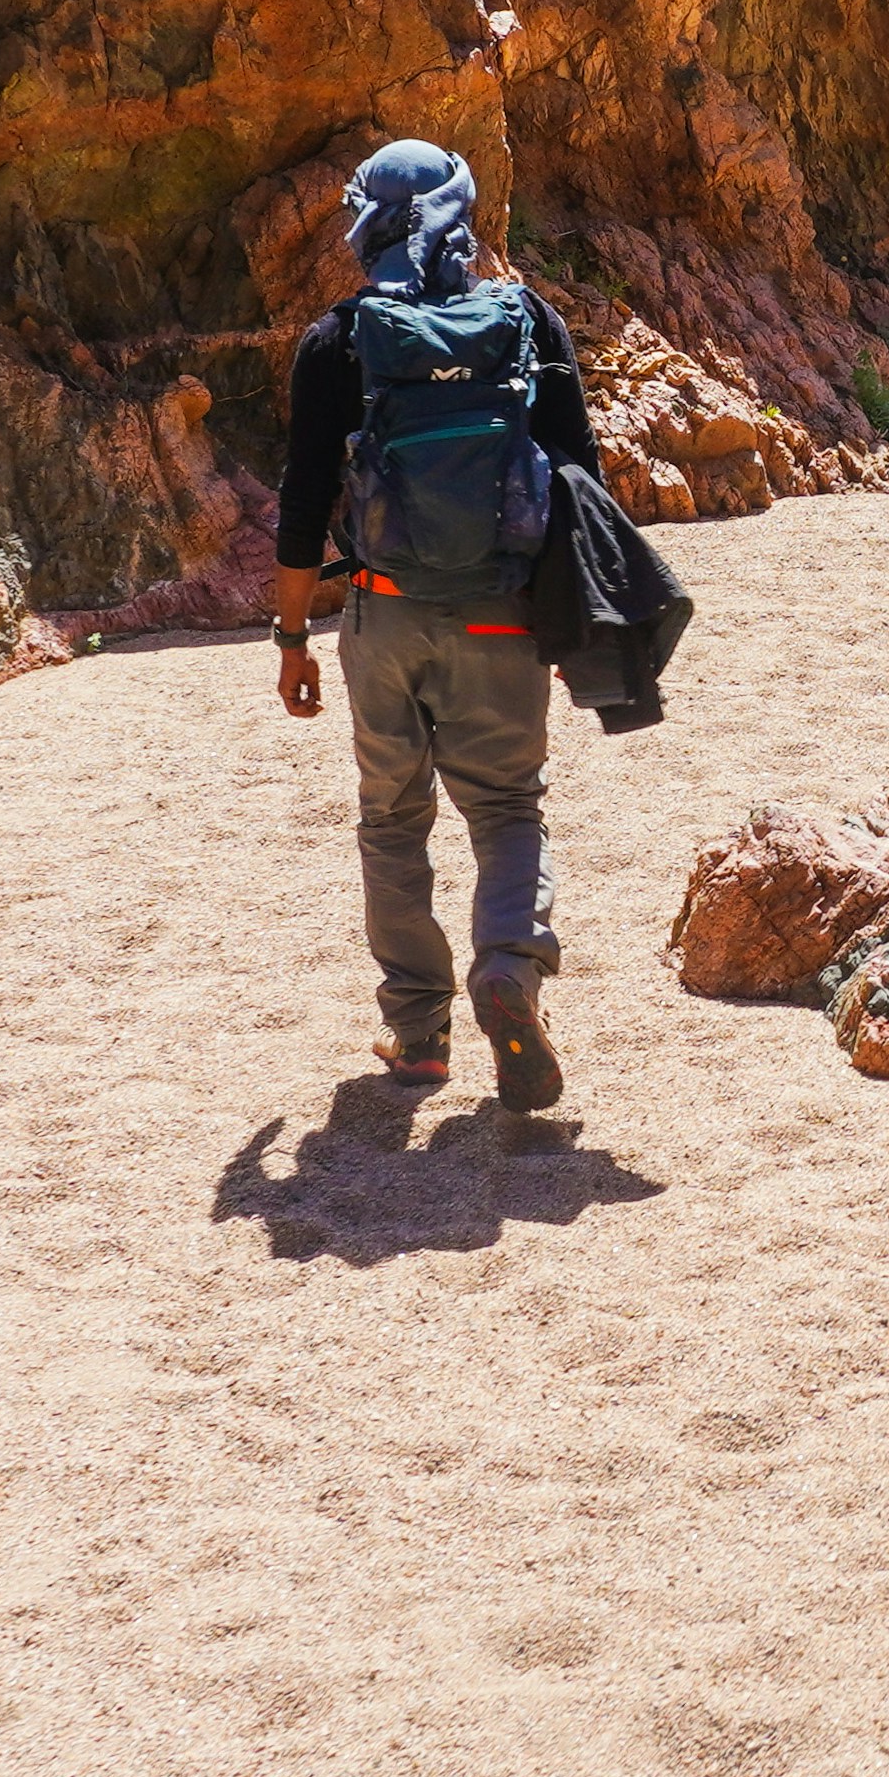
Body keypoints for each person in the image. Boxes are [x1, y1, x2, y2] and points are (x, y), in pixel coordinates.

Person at [270, 139, 592, 1108]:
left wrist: (291, 639)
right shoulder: (528, 321)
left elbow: (300, 501)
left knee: (391, 821)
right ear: (466, 208)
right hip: (501, 615)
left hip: (384, 612)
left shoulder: (338, 339)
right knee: (505, 808)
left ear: (364, 223)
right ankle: (508, 971)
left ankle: (417, 1033)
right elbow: (579, 483)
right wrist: (576, 629)